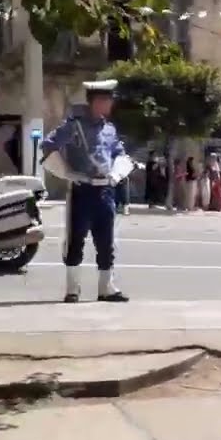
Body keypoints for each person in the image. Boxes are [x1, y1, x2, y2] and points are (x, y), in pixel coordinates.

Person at [40, 80, 131, 304]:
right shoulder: (74, 126)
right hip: (82, 190)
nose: (111, 104)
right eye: (107, 100)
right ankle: (72, 289)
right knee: (75, 240)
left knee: (106, 241)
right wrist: (67, 173)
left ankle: (106, 288)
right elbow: (48, 145)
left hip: (105, 191)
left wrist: (118, 172)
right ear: (97, 101)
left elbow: (119, 153)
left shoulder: (109, 129)